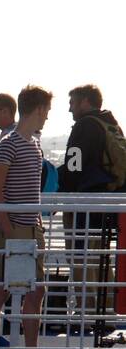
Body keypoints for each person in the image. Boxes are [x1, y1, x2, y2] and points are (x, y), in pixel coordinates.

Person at [0, 86, 63, 349]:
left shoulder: (34, 144)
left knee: (36, 290)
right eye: (47, 112)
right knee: (0, 291)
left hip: (29, 228)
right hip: (13, 229)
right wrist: (8, 230)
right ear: (38, 109)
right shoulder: (10, 144)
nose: (47, 118)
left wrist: (33, 226)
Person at [58, 85, 123, 321]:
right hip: (105, 203)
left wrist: (62, 193)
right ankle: (106, 311)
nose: (69, 109)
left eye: (72, 103)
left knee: (81, 260)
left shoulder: (85, 126)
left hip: (83, 204)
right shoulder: (110, 123)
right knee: (101, 259)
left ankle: (87, 314)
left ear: (85, 101)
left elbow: (74, 166)